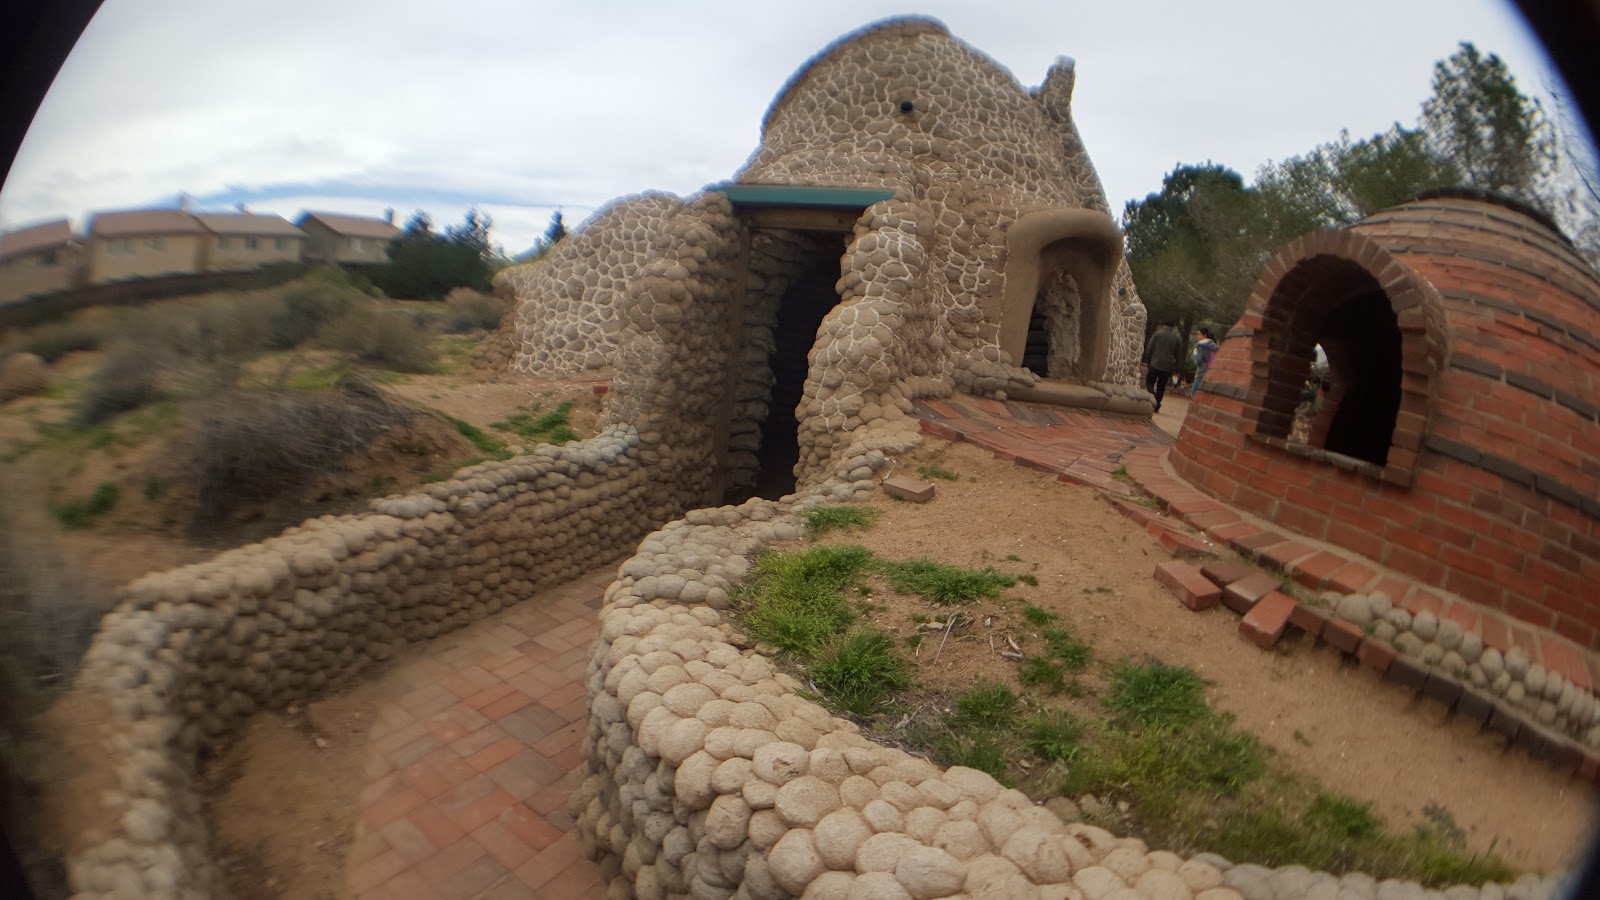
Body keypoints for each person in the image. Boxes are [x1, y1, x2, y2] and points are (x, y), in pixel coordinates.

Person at [1142, 321, 1184, 412]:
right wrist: (1177, 368)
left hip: (1154, 363)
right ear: (1173, 327)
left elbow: (1150, 347)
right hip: (1167, 366)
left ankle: (1151, 393)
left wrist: (1148, 360)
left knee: (1149, 382)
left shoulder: (1157, 334)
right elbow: (1178, 355)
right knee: (1161, 387)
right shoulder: (1176, 339)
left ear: (1163, 325)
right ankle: (1156, 406)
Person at [1189, 327, 1218, 397]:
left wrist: (1194, 353)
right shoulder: (1213, 345)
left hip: (1202, 371)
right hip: (1212, 370)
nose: (1197, 336)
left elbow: (1197, 360)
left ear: (1205, 335)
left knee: (1194, 394)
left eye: (1199, 334)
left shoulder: (1201, 345)